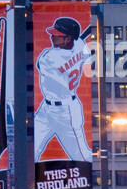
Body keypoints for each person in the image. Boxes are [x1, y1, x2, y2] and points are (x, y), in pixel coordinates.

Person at [33, 17, 93, 163]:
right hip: (46, 109)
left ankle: (98, 175)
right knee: (31, 149)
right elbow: (83, 50)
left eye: (57, 35)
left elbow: (40, 65)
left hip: (66, 112)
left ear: (68, 39)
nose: (52, 37)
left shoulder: (48, 57)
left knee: (81, 157)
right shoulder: (80, 45)